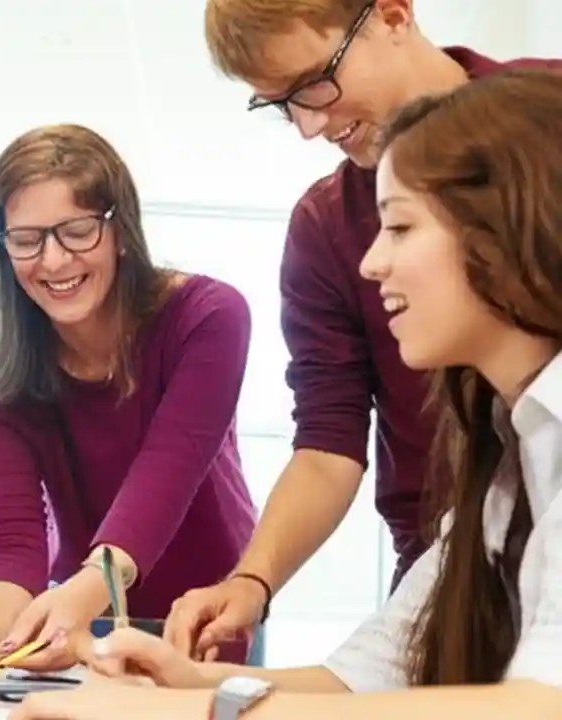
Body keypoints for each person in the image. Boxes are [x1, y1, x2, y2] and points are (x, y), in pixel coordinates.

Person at [10, 67, 562, 720]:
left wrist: (185, 712)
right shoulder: (506, 465)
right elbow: (364, 677)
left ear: (505, 232)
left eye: (400, 227)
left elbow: (543, 704)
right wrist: (189, 682)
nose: (371, 263)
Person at [165, 0, 562, 660]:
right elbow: (327, 442)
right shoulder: (326, 225)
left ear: (393, 15)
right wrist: (251, 581)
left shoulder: (546, 112)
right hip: (454, 561)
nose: (308, 126)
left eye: (315, 82)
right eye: (282, 104)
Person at [0, 123, 257, 694]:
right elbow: (10, 540)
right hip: (81, 614)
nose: (53, 261)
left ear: (120, 230)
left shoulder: (208, 317)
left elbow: (166, 477)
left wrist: (83, 592)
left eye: (76, 232)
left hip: (202, 614)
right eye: (26, 240)